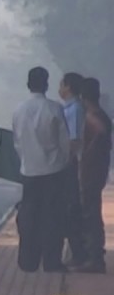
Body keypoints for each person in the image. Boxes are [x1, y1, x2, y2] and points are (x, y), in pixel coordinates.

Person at [11, 67, 71, 273]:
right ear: (46, 84)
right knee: (52, 218)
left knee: (29, 218)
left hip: (29, 172)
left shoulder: (18, 110)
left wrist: (26, 161)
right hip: (53, 172)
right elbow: (65, 144)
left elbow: (17, 142)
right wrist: (63, 164)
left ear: (28, 84)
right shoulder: (54, 109)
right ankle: (52, 262)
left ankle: (28, 262)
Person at [76, 77, 111, 273]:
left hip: (91, 171)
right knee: (92, 213)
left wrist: (85, 154)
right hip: (97, 171)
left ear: (83, 96)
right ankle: (94, 255)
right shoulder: (101, 115)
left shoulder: (93, 116)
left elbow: (99, 133)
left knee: (90, 214)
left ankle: (94, 258)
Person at [59, 72, 87, 265]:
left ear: (68, 86)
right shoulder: (69, 108)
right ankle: (76, 252)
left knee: (72, 209)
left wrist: (66, 163)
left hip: (70, 164)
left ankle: (78, 254)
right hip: (69, 164)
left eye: (61, 84)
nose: (59, 88)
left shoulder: (75, 109)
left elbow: (75, 139)